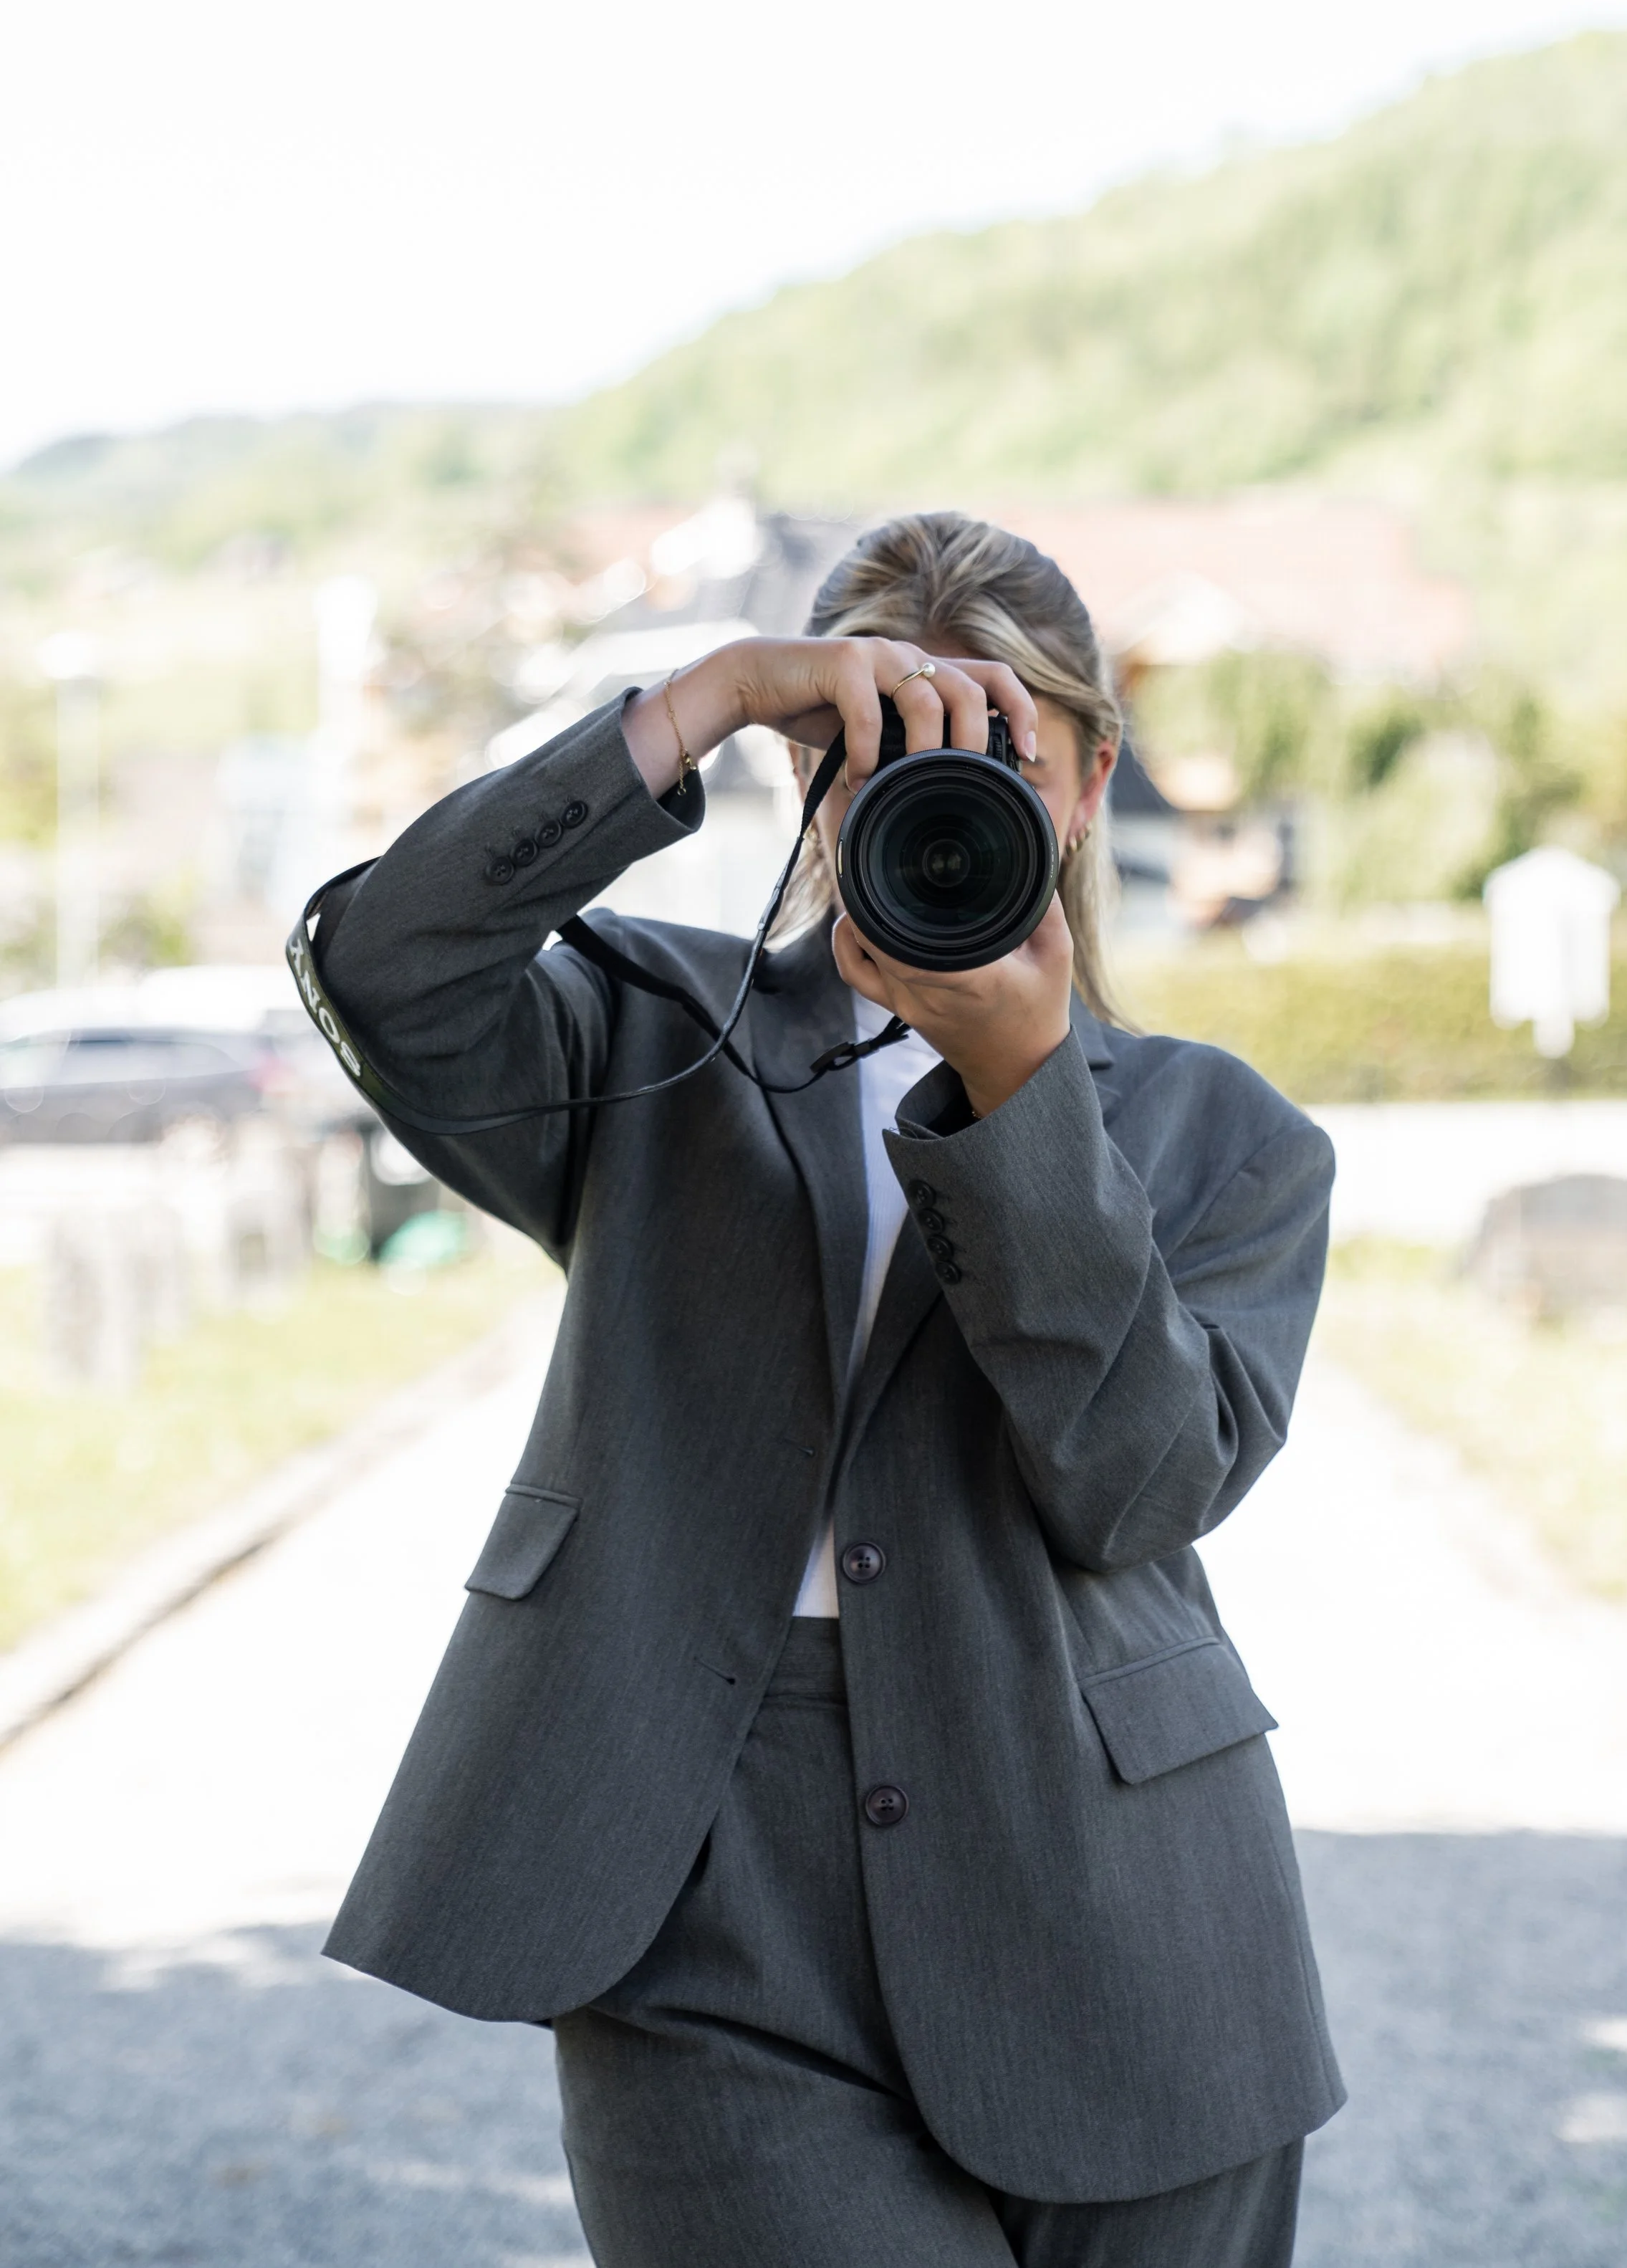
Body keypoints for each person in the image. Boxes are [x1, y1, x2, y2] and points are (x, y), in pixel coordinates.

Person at [298, 510, 1343, 2268]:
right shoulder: (649, 1041)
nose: (936, 788)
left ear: (1085, 786)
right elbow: (383, 965)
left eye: (1003, 748)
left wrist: (1022, 1098)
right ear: (807, 779)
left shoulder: (1222, 1138)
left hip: (1128, 1906)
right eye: (869, 749)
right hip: (700, 1882)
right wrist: (700, 701)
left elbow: (1138, 1488)